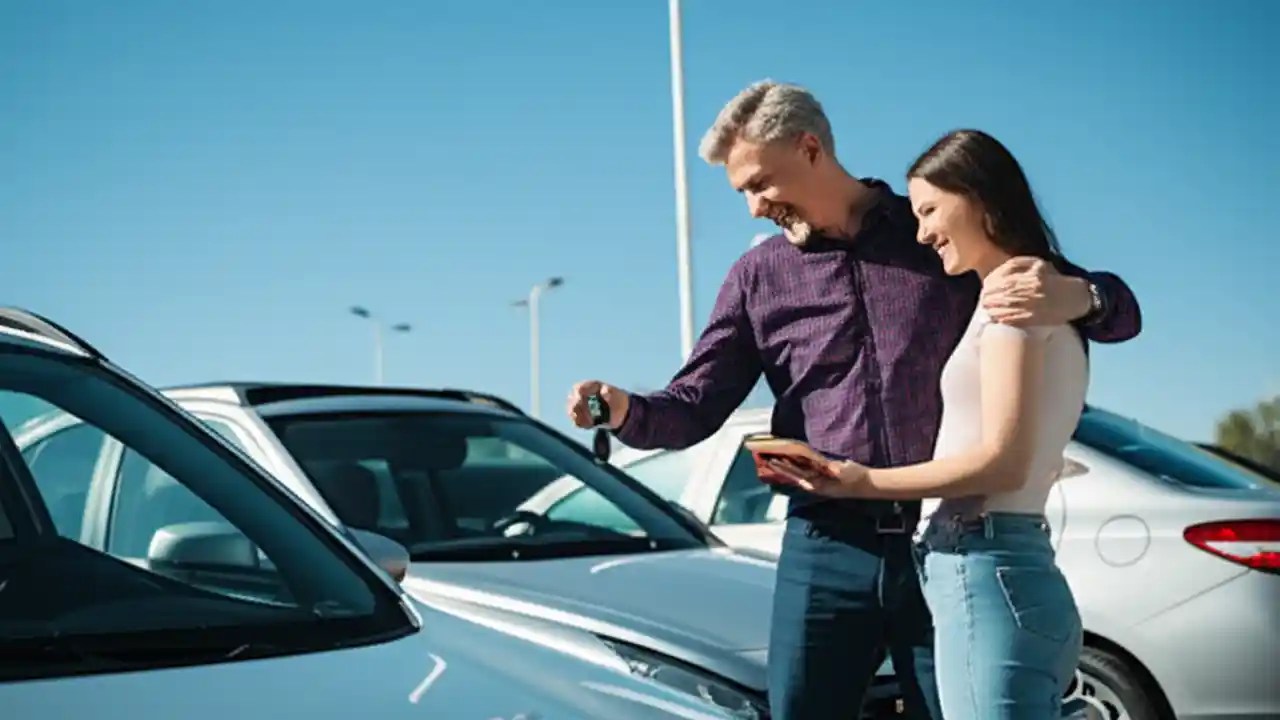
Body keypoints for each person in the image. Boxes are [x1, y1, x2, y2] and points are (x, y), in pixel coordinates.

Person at [566, 80, 1142, 720]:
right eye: (743, 192)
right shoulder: (759, 277)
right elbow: (694, 403)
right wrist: (622, 410)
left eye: (761, 183)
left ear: (810, 147)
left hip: (944, 544)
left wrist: (1084, 296)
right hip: (825, 548)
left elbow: (1105, 305)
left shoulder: (934, 233)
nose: (754, 207)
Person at [764, 127, 1091, 719]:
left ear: (980, 197)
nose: (921, 233)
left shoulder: (1013, 301)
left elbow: (1005, 461)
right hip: (1004, 572)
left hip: (988, 572)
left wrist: (860, 482)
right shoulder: (1026, 293)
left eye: (931, 210)